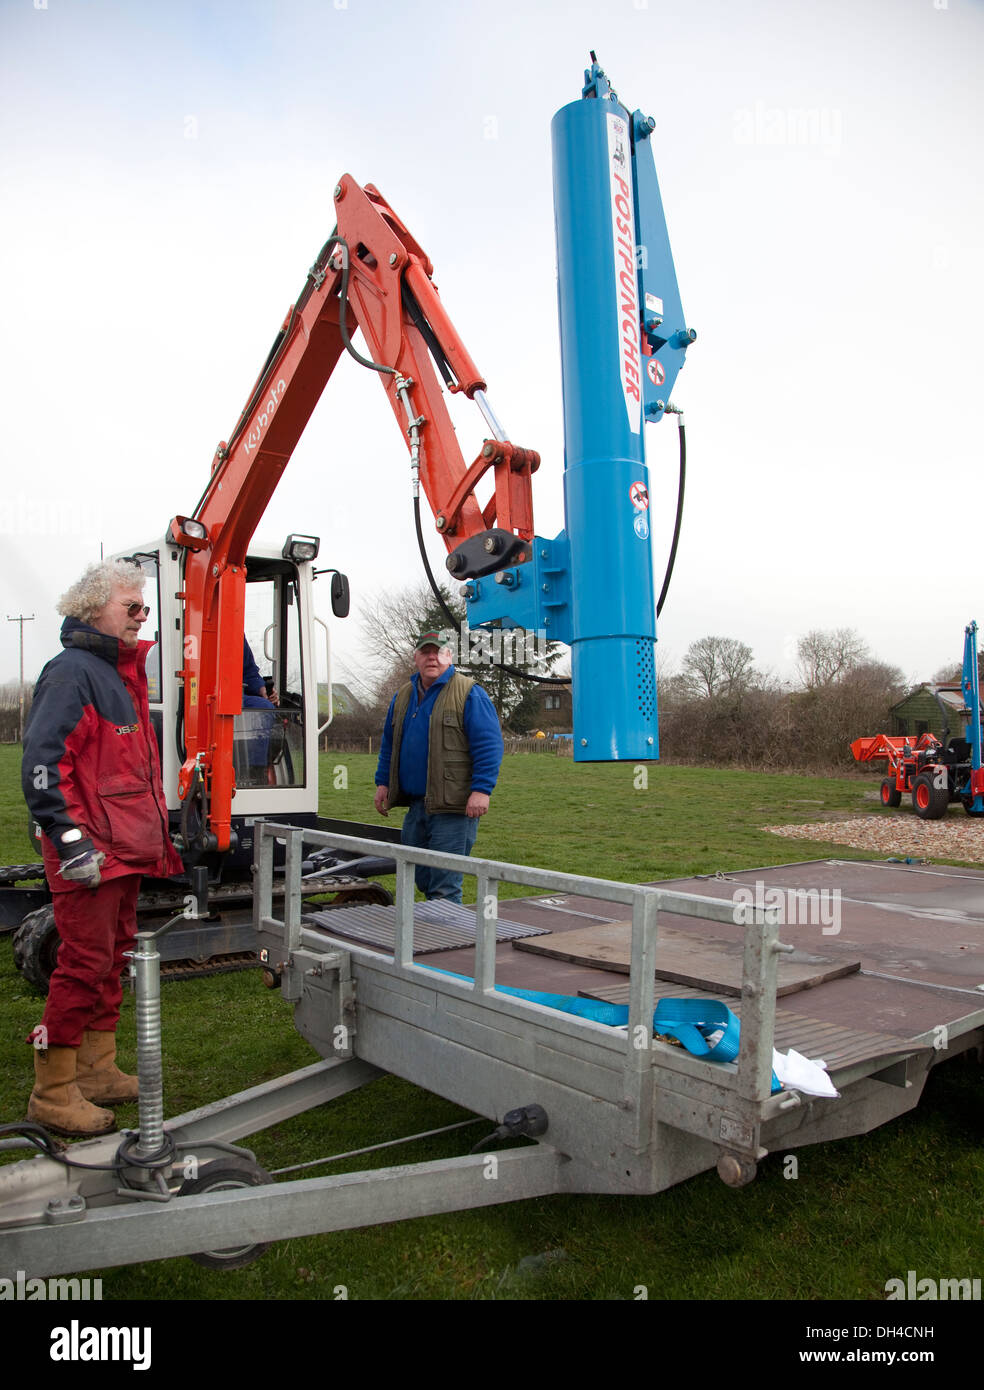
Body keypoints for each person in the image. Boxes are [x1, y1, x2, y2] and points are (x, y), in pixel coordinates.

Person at [21, 559, 183, 1137]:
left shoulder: (121, 674)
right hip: (89, 853)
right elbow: (43, 764)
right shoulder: (72, 674)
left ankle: (95, 1067)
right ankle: (54, 1090)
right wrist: (70, 843)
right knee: (82, 964)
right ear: (95, 610)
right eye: (131, 607)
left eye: (144, 607)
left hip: (122, 849)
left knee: (110, 958)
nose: (142, 617)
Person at [374, 629, 503, 903]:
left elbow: (489, 746)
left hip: (454, 808)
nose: (432, 657)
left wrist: (482, 790)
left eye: (439, 651)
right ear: (415, 658)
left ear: (450, 656)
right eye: (425, 652)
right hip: (416, 805)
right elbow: (389, 744)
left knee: (445, 886)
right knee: (420, 877)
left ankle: (449, 942)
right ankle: (430, 933)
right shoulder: (403, 695)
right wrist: (382, 783)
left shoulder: (469, 693)